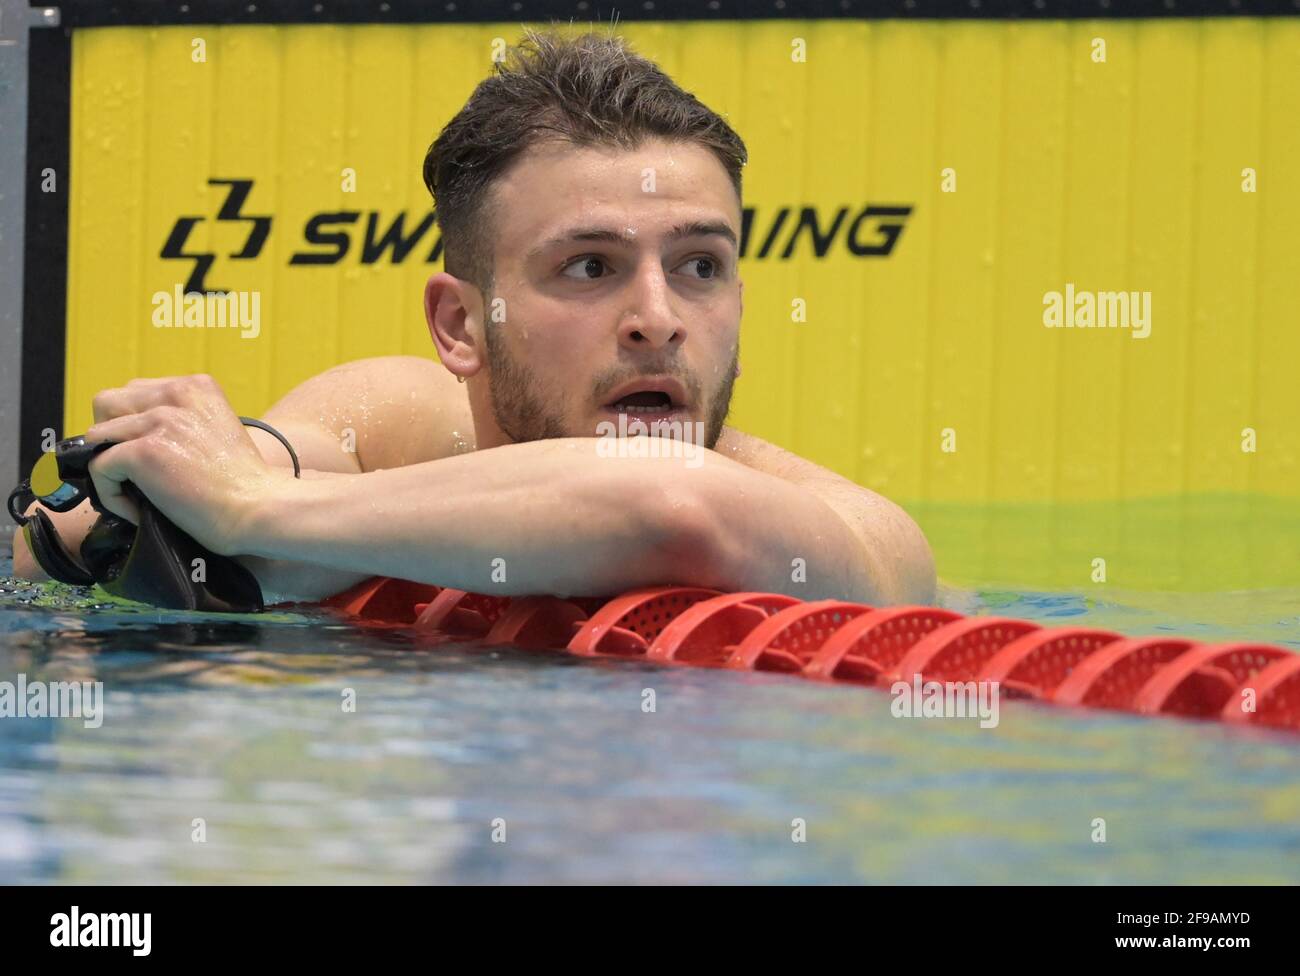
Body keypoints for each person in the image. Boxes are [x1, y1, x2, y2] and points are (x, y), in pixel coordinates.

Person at [13, 28, 934, 607]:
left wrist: (257, 510)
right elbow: (63, 540)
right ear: (460, 325)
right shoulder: (398, 425)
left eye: (700, 265)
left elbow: (671, 509)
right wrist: (132, 508)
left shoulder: (865, 537)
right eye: (590, 266)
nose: (658, 317)